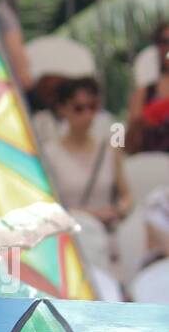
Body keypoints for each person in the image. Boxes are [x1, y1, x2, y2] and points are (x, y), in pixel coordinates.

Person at [42, 77, 131, 248]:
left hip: (107, 237)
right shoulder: (49, 154)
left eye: (93, 107)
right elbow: (47, 203)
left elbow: (126, 195)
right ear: (62, 109)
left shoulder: (110, 150)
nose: (87, 115)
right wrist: (91, 215)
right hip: (70, 238)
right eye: (79, 108)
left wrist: (118, 210)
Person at [127, 22, 169, 155]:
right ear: (158, 47)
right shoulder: (143, 92)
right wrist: (137, 125)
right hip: (152, 165)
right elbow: (127, 145)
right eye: (165, 41)